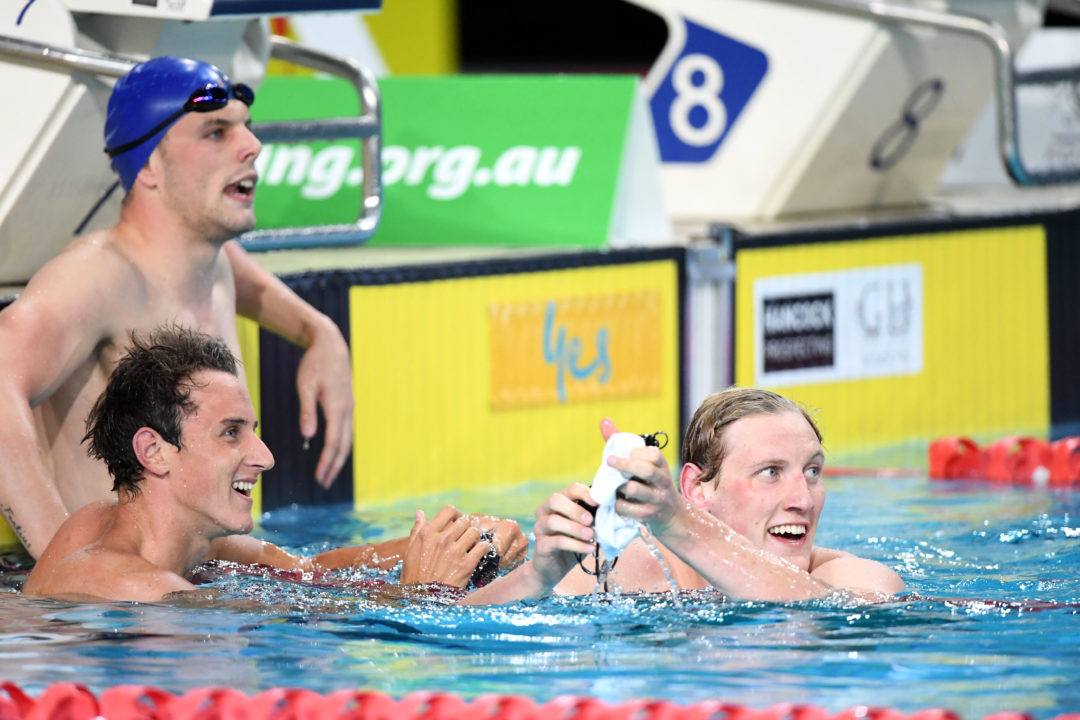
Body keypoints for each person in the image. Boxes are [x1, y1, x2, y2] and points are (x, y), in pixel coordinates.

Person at [0, 55, 525, 577]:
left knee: (333, 573)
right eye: (215, 133)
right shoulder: (95, 277)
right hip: (114, 613)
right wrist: (60, 566)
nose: (251, 146)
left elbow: (268, 297)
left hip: (203, 566)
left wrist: (322, 335)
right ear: (152, 165)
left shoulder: (215, 259)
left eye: (245, 129)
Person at [23, 327, 518, 601]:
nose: (264, 457)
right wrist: (426, 593)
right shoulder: (144, 593)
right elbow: (315, 615)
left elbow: (309, 573)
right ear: (154, 452)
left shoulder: (115, 526)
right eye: (230, 432)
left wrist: (458, 540)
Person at [464, 388, 905, 605]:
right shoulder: (634, 570)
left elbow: (822, 613)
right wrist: (537, 577)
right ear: (697, 488)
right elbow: (455, 632)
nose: (803, 499)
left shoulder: (858, 578)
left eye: (812, 471)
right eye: (771, 472)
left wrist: (675, 521)